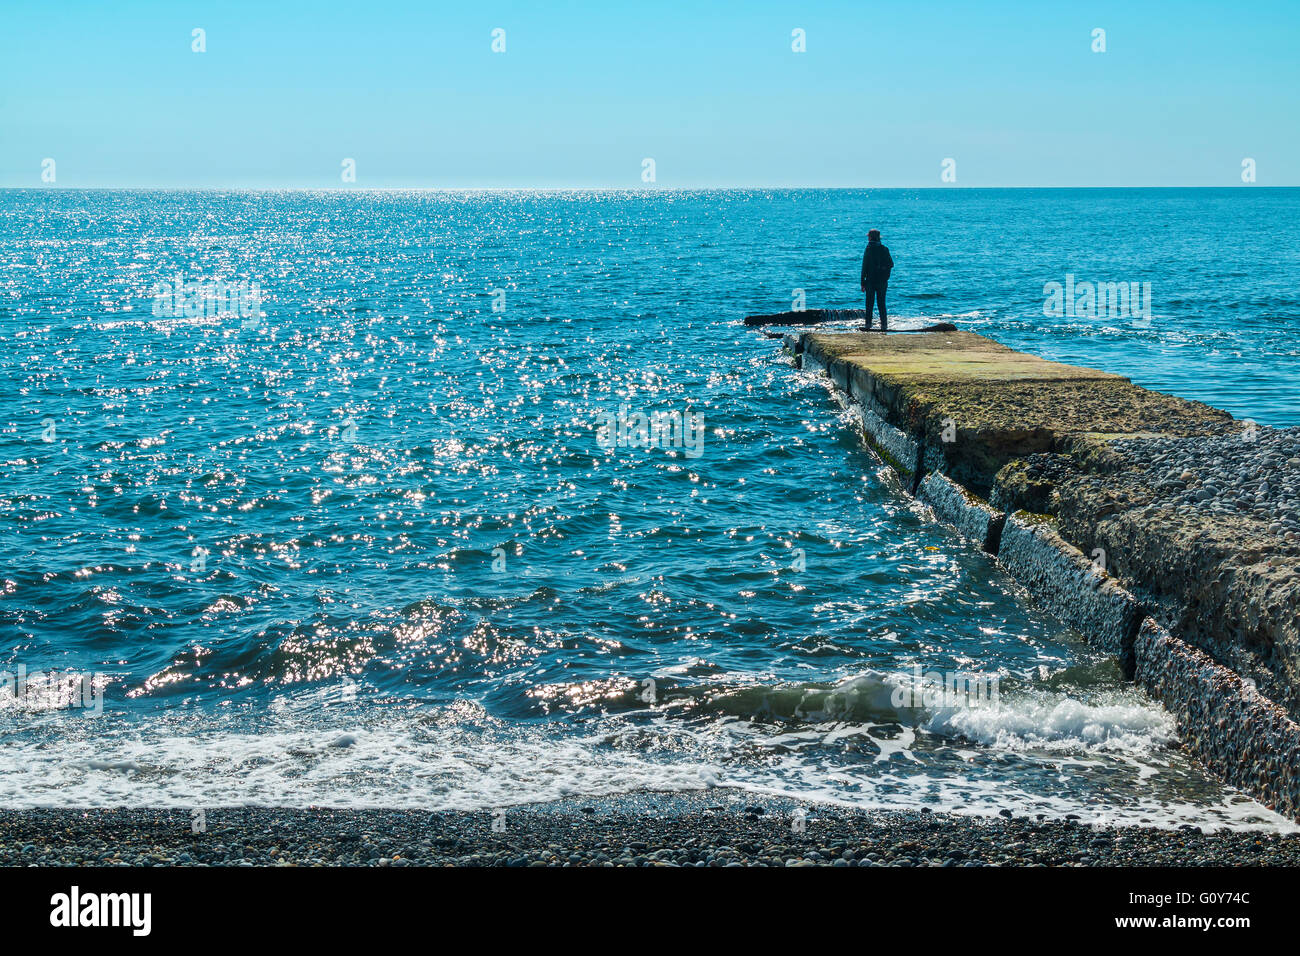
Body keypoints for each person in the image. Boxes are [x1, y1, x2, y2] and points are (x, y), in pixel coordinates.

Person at [860, 229, 894, 331]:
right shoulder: (884, 249)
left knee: (869, 304)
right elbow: (891, 264)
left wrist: (862, 282)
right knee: (881, 304)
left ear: (870, 237)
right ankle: (884, 325)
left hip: (870, 280)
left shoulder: (868, 249)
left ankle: (868, 324)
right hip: (882, 281)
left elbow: (864, 266)